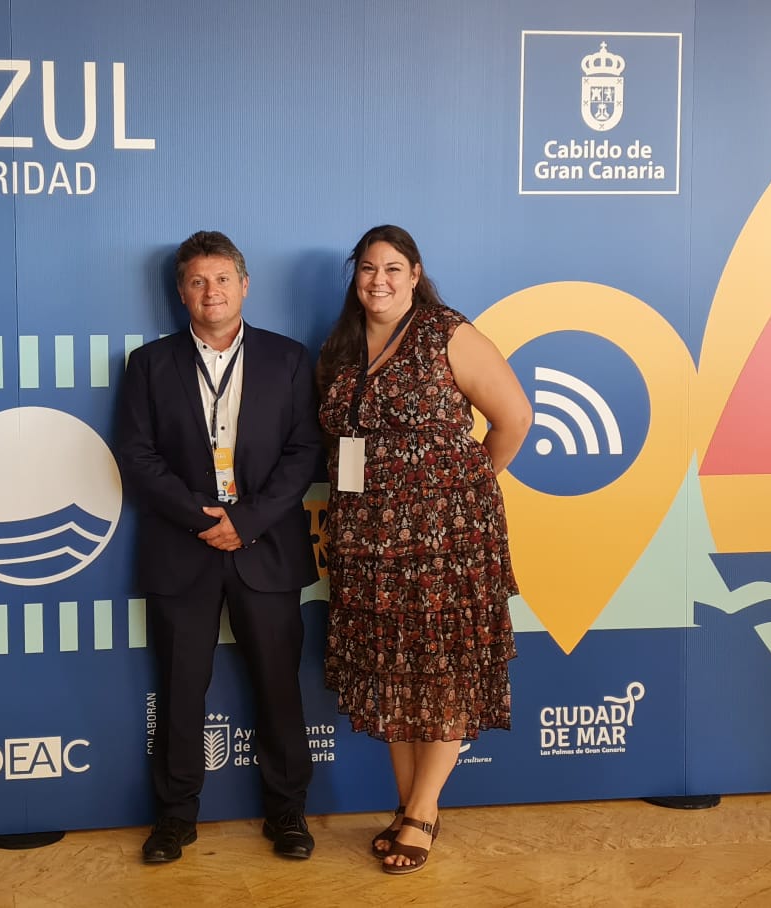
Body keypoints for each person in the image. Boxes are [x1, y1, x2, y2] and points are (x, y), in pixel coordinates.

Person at [316, 225, 532, 875]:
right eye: (366, 269)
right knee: (394, 674)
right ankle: (409, 805)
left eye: (392, 268)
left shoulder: (445, 332)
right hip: (367, 541)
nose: (377, 280)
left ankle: (423, 812)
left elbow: (514, 418)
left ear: (415, 274)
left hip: (447, 540)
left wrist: (461, 487)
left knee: (441, 671)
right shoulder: (343, 347)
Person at [116, 230, 324, 864]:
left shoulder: (289, 360)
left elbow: (304, 452)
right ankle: (175, 819)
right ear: (181, 291)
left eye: (223, 279)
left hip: (266, 548)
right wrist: (200, 518)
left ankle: (287, 815)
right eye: (198, 281)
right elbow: (138, 454)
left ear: (244, 285)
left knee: (278, 688)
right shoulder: (150, 365)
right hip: (184, 549)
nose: (212, 292)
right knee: (180, 691)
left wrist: (250, 520)